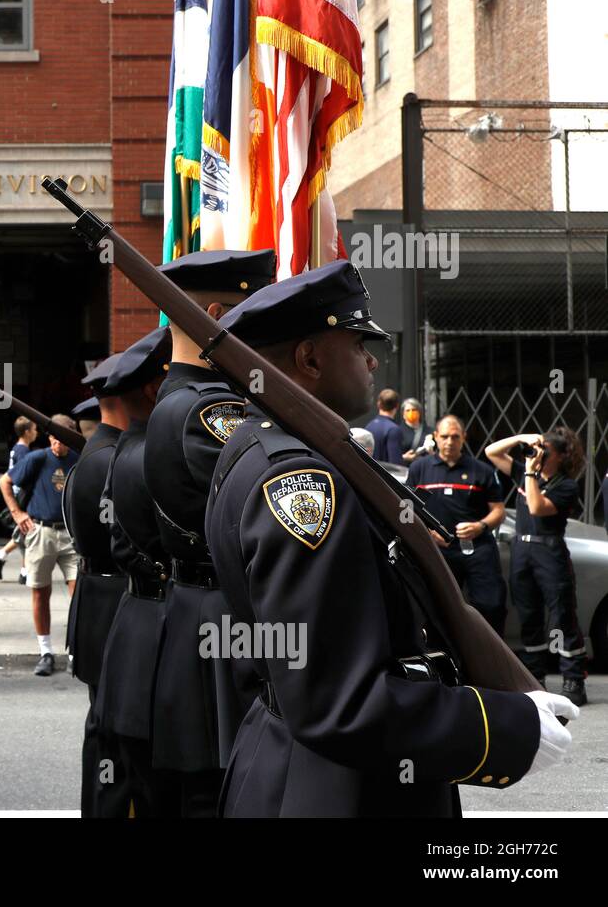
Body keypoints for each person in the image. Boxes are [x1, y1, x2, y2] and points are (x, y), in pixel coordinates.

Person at [205, 259, 576, 816]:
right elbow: (338, 700)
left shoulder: (260, 449)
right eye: (358, 344)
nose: (373, 360)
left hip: (306, 767)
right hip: (343, 789)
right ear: (310, 358)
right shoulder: (303, 481)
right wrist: (500, 728)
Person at [142, 249, 276, 817]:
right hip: (220, 618)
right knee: (223, 789)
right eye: (249, 318)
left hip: (197, 609)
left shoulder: (179, 400)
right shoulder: (211, 408)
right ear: (217, 316)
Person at [91, 327, 183, 817]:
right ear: (154, 387)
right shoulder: (157, 454)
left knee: (137, 785)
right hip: (161, 631)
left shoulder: (123, 449)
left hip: (136, 624)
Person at [62, 352, 129, 817]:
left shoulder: (96, 454)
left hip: (97, 599)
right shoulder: (113, 461)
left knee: (106, 729)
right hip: (116, 604)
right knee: (116, 738)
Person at [485, 427, 589, 706]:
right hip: (522, 549)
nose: (537, 454)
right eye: (537, 449)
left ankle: (573, 679)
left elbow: (536, 507)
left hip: (549, 549)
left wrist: (530, 473)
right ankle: (534, 676)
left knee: (562, 614)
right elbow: (491, 452)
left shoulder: (565, 485)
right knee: (528, 613)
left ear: (561, 456)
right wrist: (521, 438)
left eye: (545, 451)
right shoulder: (524, 470)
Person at [409, 415, 508, 637]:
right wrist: (427, 532)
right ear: (435, 437)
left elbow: (499, 511)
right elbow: (406, 511)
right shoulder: (419, 468)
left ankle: (490, 659)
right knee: (435, 607)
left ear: (463, 438)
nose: (449, 441)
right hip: (436, 549)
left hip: (477, 547)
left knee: (490, 604)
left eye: (455, 437)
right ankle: (445, 661)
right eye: (444, 436)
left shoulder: (481, 470)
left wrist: (480, 526)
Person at [1, 414, 80, 676]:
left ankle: (74, 651)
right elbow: (6, 480)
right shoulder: (38, 458)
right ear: (50, 438)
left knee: (78, 593)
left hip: (70, 534)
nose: (59, 446)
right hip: (41, 530)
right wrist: (16, 513)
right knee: (39, 592)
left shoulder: (79, 457)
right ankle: (45, 651)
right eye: (55, 440)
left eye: (63, 441)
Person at [0, 415, 37, 583]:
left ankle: (3, 558)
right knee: (27, 529)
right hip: (20, 496)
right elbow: (24, 475)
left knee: (24, 530)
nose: (36, 433)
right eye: (34, 429)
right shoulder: (24, 451)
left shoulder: (17, 448)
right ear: (27, 431)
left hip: (16, 494)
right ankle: (21, 569)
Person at [364, 388, 401, 464]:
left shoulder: (369, 426)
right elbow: (395, 464)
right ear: (397, 406)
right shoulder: (393, 430)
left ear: (378, 404)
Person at [399, 397, 430, 464]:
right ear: (403, 414)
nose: (411, 412)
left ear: (419, 412)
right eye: (408, 410)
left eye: (414, 410)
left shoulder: (429, 431)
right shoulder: (398, 431)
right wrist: (404, 457)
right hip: (405, 469)